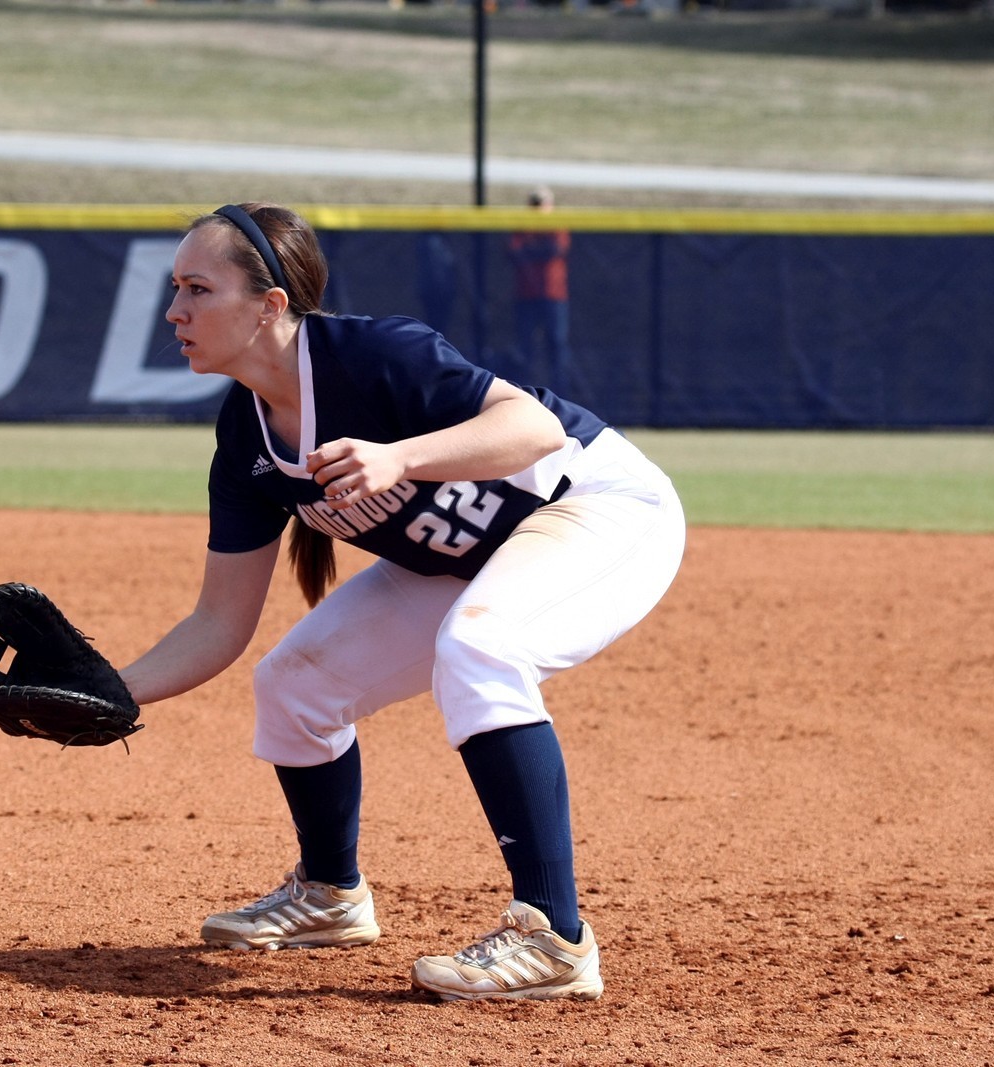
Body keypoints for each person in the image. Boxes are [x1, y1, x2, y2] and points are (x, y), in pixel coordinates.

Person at [117, 203, 685, 1002]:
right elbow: (218, 623)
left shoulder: (371, 355)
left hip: (597, 505)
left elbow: (533, 430)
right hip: (464, 556)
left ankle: (554, 938)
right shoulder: (246, 439)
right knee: (295, 682)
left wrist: (402, 458)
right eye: (177, 287)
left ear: (269, 305)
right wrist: (107, 691)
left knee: (481, 646)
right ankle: (329, 894)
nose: (175, 310)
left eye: (198, 288)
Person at [506, 185, 573, 390]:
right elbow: (514, 251)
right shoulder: (523, 226)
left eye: (541, 203)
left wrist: (531, 251)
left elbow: (556, 249)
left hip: (554, 295)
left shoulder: (556, 225)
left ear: (550, 205)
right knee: (525, 346)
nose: (538, 208)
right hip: (527, 295)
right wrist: (536, 250)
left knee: (556, 344)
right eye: (534, 203)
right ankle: (523, 390)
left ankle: (560, 391)